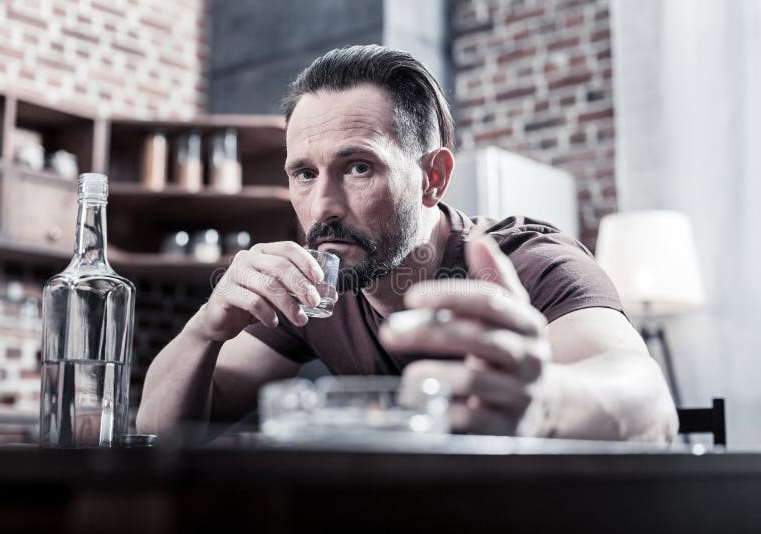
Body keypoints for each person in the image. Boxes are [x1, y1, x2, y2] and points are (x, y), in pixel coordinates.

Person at [136, 45, 678, 442]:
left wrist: (544, 404)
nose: (322, 207)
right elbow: (160, 426)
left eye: (358, 167)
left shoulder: (527, 261)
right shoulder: (317, 289)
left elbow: (652, 408)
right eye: (304, 173)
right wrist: (205, 329)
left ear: (432, 178)